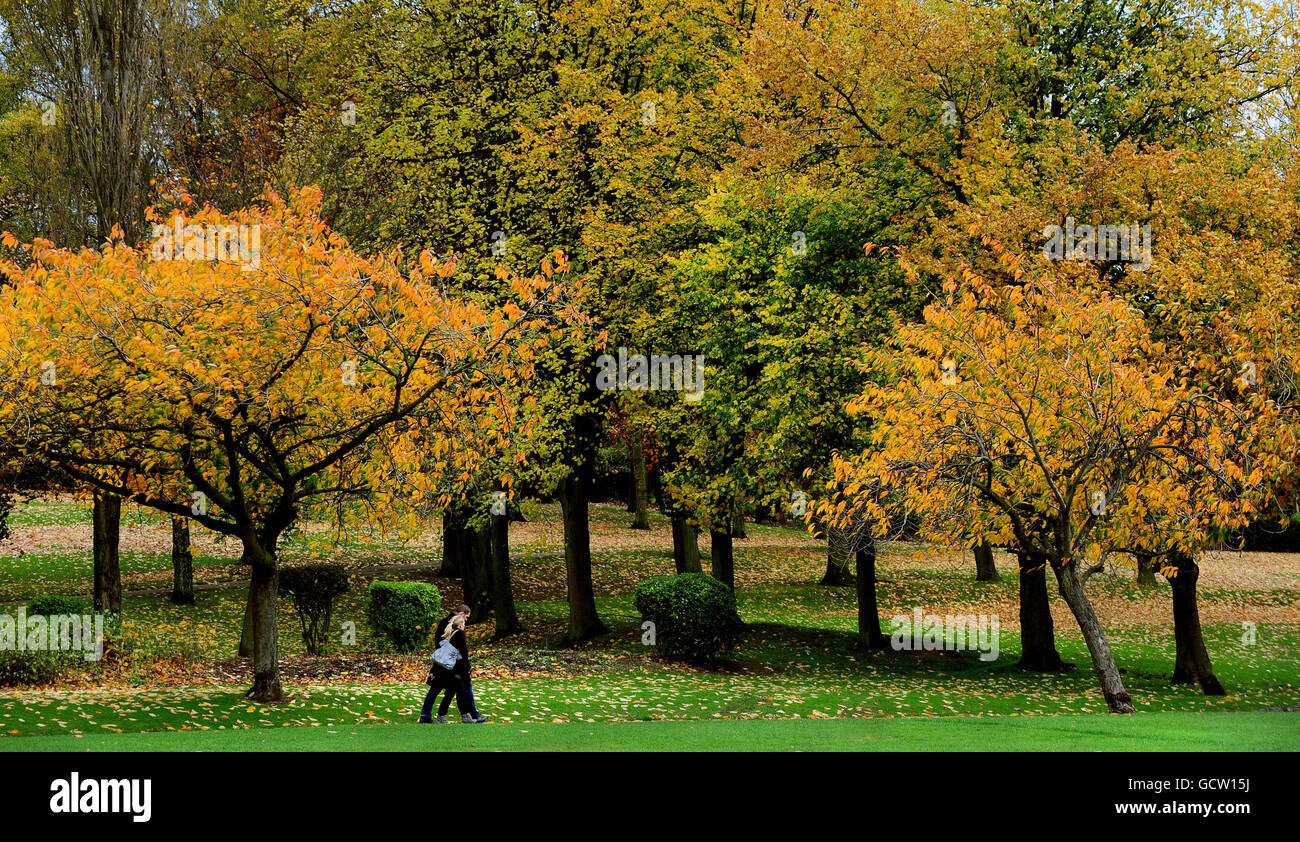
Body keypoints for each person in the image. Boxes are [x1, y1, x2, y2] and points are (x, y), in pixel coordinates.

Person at [418, 613, 487, 724]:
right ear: (460, 625)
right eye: (464, 622)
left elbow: (443, 654)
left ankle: (464, 716)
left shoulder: (449, 634)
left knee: (457, 691)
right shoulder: (460, 634)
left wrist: (434, 670)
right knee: (452, 693)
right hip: (451, 670)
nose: (465, 625)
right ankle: (443, 716)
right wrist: (467, 668)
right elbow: (464, 653)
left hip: (443, 669)